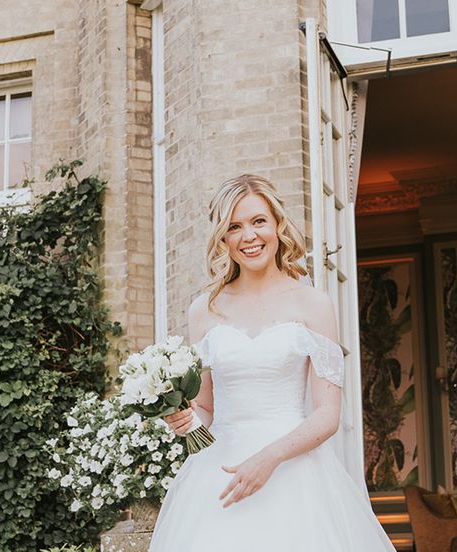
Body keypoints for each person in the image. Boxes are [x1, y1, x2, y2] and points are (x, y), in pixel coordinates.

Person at [149, 173, 396, 551]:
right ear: (222, 238)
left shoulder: (313, 304)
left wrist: (268, 459)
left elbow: (328, 415)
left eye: (258, 221)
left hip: (296, 473)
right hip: (220, 477)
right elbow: (207, 409)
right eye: (234, 226)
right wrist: (185, 420)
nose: (249, 236)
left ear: (278, 226)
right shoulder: (204, 310)